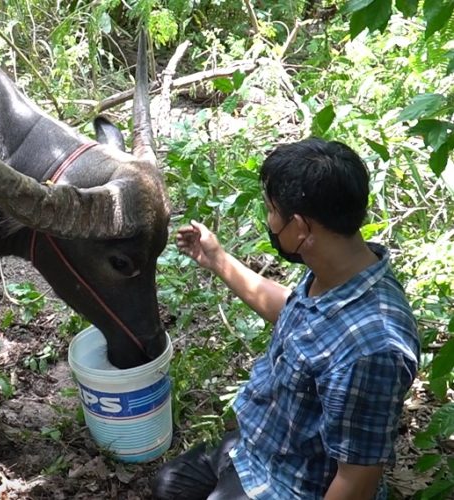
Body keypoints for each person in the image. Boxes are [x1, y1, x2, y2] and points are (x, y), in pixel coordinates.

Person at [152, 138, 419, 499]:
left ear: (300, 227)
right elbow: (295, 314)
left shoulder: (373, 351)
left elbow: (356, 479)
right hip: (257, 448)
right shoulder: (339, 268)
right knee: (168, 486)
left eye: (270, 210)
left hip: (293, 485)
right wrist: (217, 260)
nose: (268, 220)